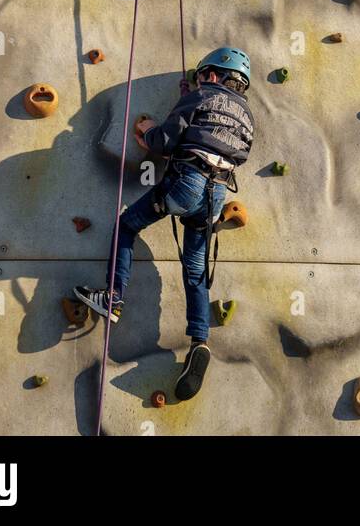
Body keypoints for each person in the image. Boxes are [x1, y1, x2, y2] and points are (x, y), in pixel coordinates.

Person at [74, 46, 254, 400]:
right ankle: (200, 341)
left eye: (203, 75)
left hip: (187, 182)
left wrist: (148, 128)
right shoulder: (246, 114)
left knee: (127, 226)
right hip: (215, 195)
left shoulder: (202, 95)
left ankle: (113, 296)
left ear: (214, 75)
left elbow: (165, 141)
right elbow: (231, 144)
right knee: (195, 270)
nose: (200, 80)